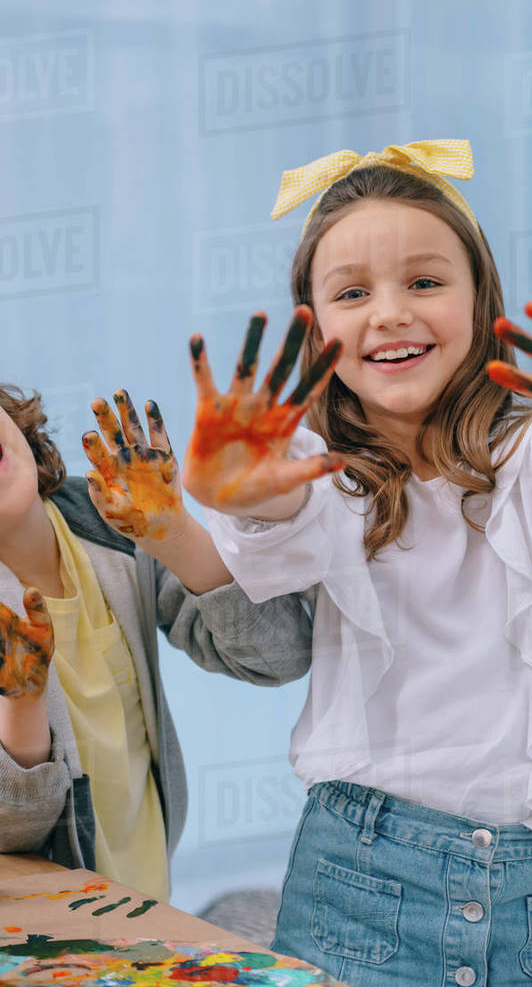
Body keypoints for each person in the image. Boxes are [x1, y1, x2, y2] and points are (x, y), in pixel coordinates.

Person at [181, 140, 532, 985]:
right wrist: (239, 495)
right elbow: (281, 531)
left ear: (478, 298)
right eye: (352, 293)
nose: (388, 313)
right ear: (313, 330)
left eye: (424, 282)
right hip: (357, 872)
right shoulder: (321, 474)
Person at [0, 383, 315, 901]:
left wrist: (176, 537)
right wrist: (24, 705)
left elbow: (278, 658)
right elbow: (17, 839)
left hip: (150, 907)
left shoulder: (111, 519)